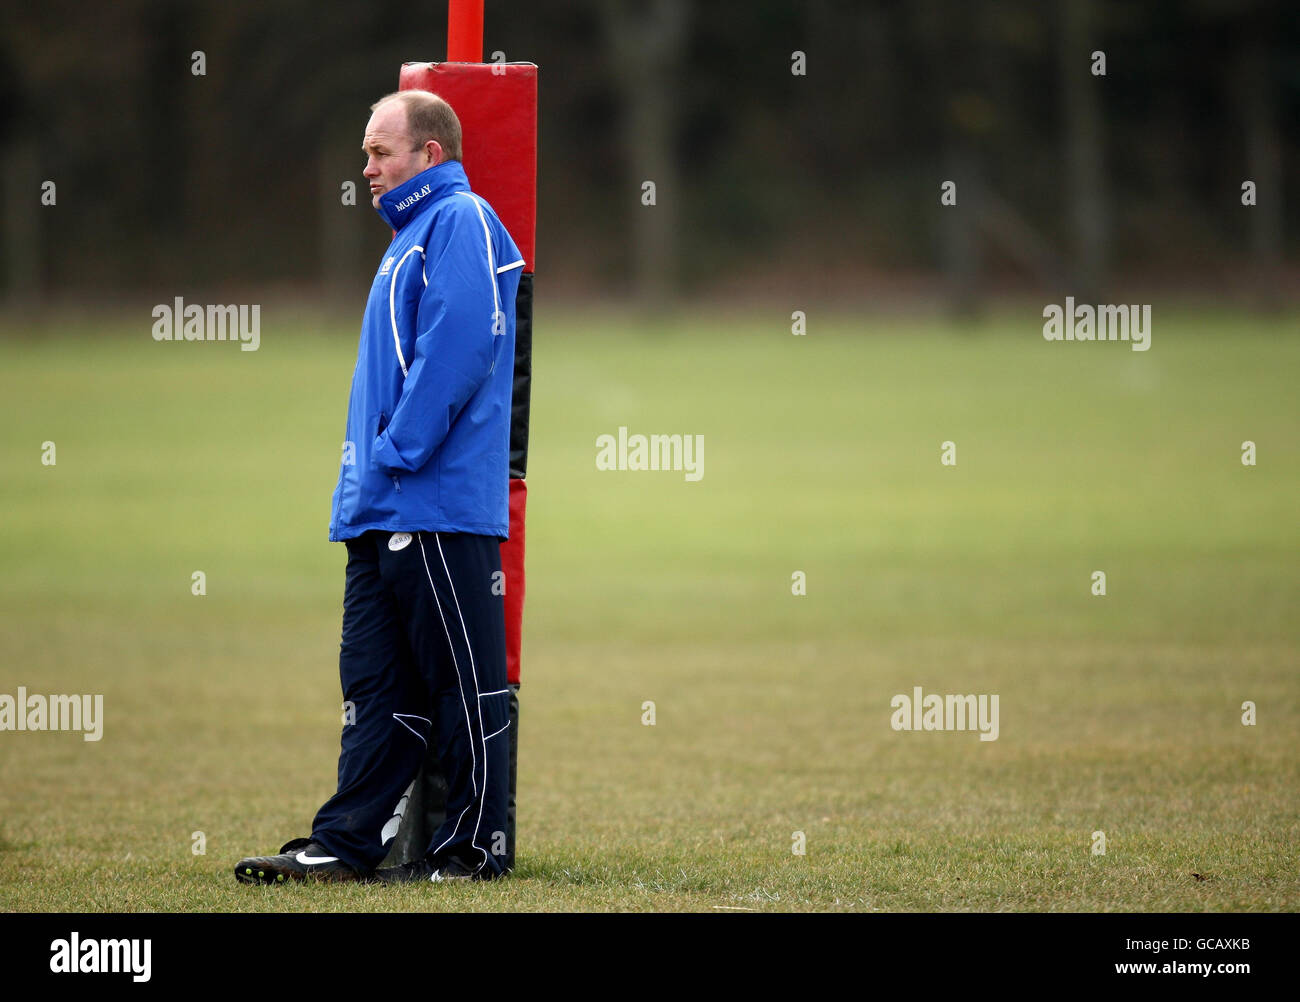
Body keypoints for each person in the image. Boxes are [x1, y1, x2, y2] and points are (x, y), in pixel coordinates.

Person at [235, 90, 524, 884]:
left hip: (431, 505)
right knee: (373, 688)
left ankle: (470, 852)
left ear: (430, 155)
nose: (366, 169)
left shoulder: (457, 220)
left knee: (462, 687)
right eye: (366, 154)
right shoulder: (407, 235)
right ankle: (347, 842)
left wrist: (397, 451)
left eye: (379, 152)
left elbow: (462, 345)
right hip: (380, 507)